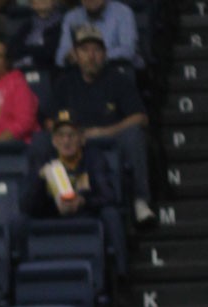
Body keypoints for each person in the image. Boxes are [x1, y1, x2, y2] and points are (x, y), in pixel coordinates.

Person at [41, 26, 154, 224]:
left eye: (96, 50)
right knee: (40, 140)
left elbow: (140, 117)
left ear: (104, 54)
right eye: (84, 50)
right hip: (73, 140)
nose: (91, 56)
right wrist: (69, 135)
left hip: (109, 138)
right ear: (75, 54)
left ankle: (139, 200)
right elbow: (49, 120)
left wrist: (105, 131)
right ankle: (49, 202)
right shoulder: (65, 82)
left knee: (134, 134)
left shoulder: (118, 80)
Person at [26, 111, 120, 222]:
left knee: (111, 214)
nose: (66, 141)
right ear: (54, 141)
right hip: (53, 216)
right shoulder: (44, 160)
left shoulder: (94, 158)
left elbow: (108, 196)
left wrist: (83, 201)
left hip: (86, 215)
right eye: (60, 135)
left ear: (82, 139)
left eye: (71, 135)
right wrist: (40, 180)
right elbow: (27, 206)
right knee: (19, 220)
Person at [55, 0, 143, 71]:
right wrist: (68, 57)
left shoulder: (123, 12)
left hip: (114, 70)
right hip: (82, 75)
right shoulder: (71, 16)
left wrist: (93, 56)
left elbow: (128, 50)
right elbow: (60, 58)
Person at [11, 0, 68, 71]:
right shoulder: (27, 23)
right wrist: (36, 50)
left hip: (49, 71)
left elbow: (49, 53)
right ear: (31, 4)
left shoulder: (64, 22)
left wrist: (27, 50)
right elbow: (14, 48)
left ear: (54, 1)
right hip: (22, 68)